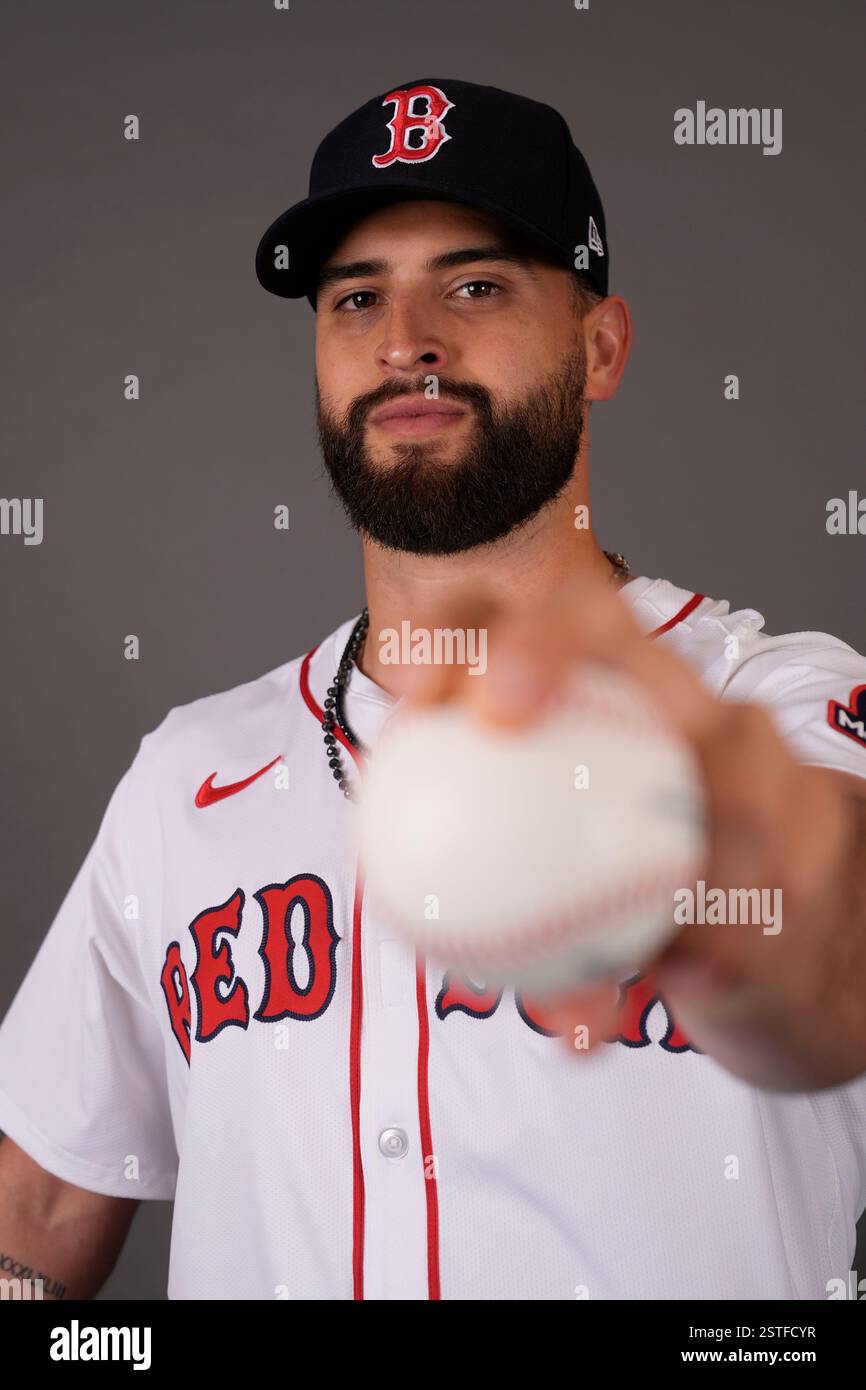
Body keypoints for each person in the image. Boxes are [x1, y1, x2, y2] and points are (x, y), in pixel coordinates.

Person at [1, 77, 864, 1302]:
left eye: (474, 286)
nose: (406, 338)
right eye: (357, 298)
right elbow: (38, 1203)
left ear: (599, 345)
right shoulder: (187, 778)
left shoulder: (778, 700)